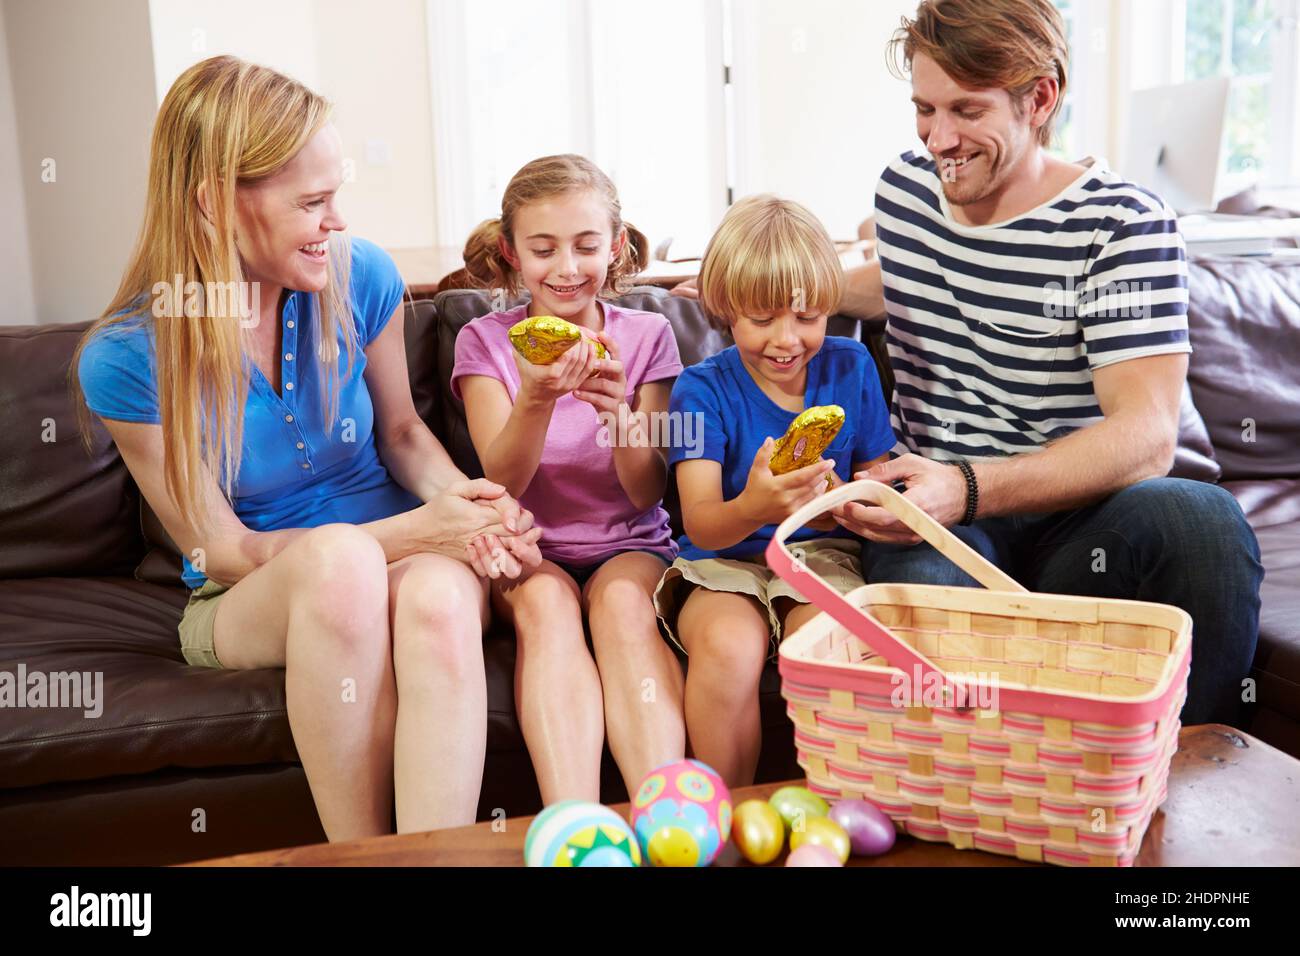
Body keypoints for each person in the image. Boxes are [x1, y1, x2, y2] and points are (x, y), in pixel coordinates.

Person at [72, 56, 542, 839]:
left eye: (337, 197)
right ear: (216, 204)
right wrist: (416, 533)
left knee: (433, 592)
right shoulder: (128, 358)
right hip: (254, 594)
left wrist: (469, 506)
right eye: (314, 202)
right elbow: (222, 551)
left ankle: (438, 864)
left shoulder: (360, 278)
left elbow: (401, 435)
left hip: (405, 562)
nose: (338, 223)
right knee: (340, 564)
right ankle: (356, 860)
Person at [833, 0, 1263, 727]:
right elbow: (895, 281)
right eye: (924, 109)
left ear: (1039, 98)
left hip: (1080, 527)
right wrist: (762, 283)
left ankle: (1182, 776)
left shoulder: (1122, 226)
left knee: (1203, 522)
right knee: (928, 588)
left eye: (965, 110)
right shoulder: (903, 195)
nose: (940, 139)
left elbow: (1149, 436)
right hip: (943, 527)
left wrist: (967, 487)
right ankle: (982, 800)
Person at [453, 155, 687, 802]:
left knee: (620, 606)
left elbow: (646, 492)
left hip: (630, 545)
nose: (566, 268)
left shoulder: (648, 337)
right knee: (550, 606)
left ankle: (666, 816)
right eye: (543, 248)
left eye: (586, 247)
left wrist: (619, 417)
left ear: (614, 248)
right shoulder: (485, 341)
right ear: (511, 251)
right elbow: (503, 480)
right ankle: (575, 823)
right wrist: (536, 398)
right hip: (531, 547)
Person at [656, 195, 896, 788]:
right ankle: (730, 812)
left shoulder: (853, 366)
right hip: (723, 563)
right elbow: (703, 523)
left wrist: (846, 498)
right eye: (762, 320)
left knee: (831, 642)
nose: (786, 340)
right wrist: (756, 506)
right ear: (726, 312)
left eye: (807, 317)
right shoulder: (699, 390)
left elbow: (877, 483)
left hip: (821, 557)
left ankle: (844, 804)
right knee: (730, 648)